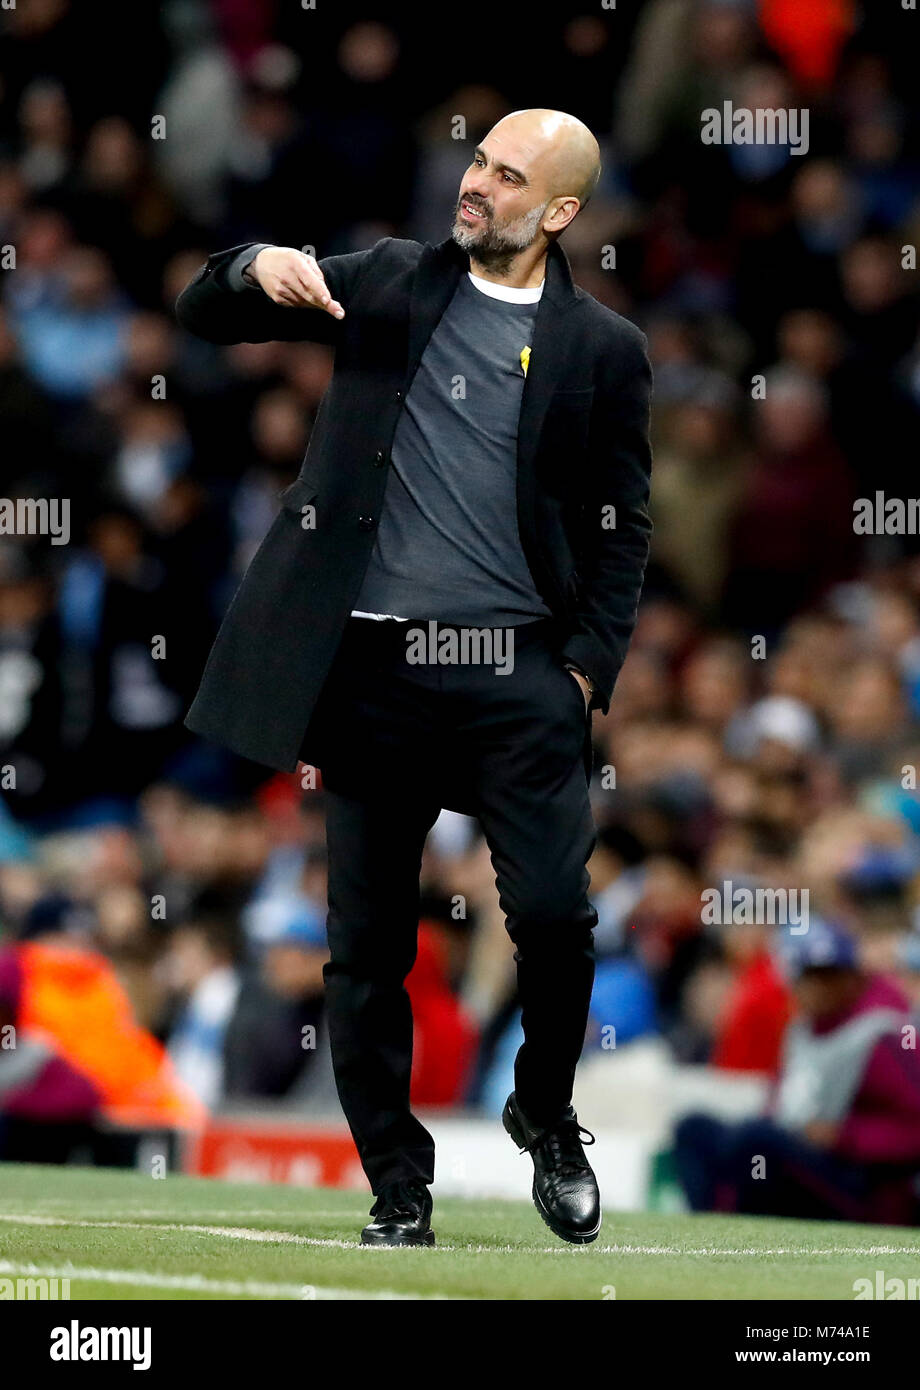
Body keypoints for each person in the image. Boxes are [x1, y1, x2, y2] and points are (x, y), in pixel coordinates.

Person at [175, 108, 653, 1245]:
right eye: (476, 162)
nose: (475, 184)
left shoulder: (602, 349)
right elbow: (205, 308)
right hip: (372, 669)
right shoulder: (387, 279)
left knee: (552, 915)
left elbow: (621, 523)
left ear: (561, 211)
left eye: (505, 174)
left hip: (517, 673)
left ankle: (543, 1110)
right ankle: (399, 1183)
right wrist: (257, 265)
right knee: (367, 947)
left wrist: (587, 666)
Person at [674, 921, 920, 1225]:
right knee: (693, 1127)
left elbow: (913, 1130)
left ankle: (743, 1230)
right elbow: (782, 1102)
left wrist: (845, 1136)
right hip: (801, 1160)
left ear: (853, 978)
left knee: (757, 1140)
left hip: (861, 1185)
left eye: (827, 975)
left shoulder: (883, 1034)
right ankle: (712, 1227)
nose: (815, 986)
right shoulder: (801, 1030)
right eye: (807, 975)